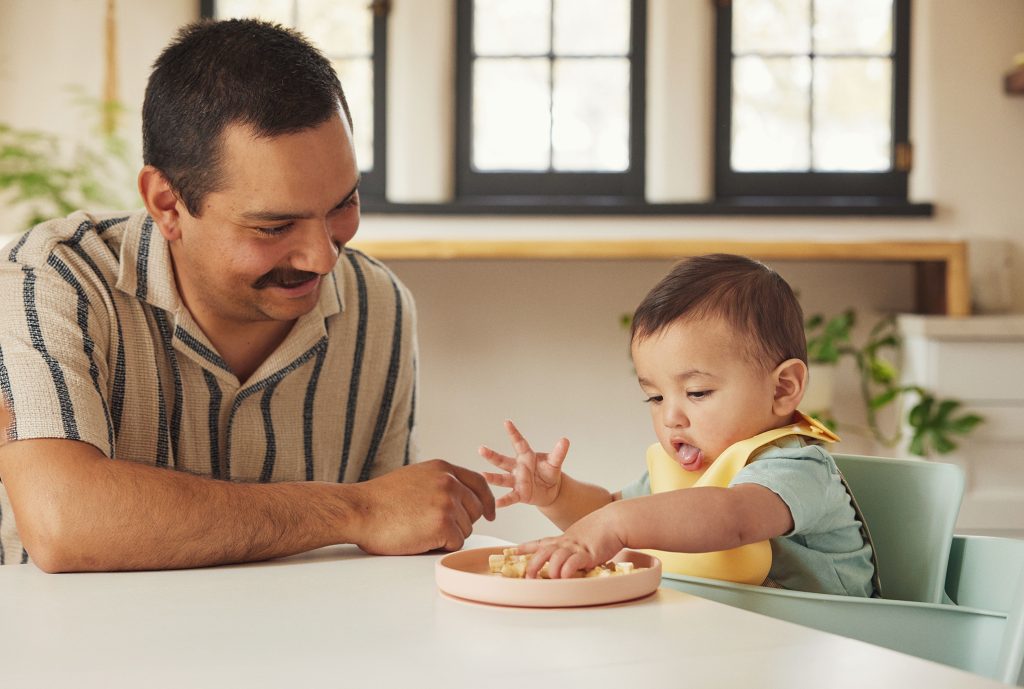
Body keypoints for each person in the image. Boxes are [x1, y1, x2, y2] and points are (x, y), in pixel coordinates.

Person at [0, 18, 494, 572]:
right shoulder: (56, 279)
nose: (323, 257)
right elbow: (65, 523)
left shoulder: (379, 304)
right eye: (273, 227)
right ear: (168, 204)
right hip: (84, 656)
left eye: (342, 205)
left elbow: (390, 545)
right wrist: (354, 508)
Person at [480, 254, 877, 596]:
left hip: (831, 649)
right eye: (655, 397)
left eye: (698, 392)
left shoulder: (799, 469)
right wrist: (558, 495)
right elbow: (607, 512)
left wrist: (616, 525)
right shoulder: (685, 476)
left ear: (782, 389)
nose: (670, 417)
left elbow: (731, 518)